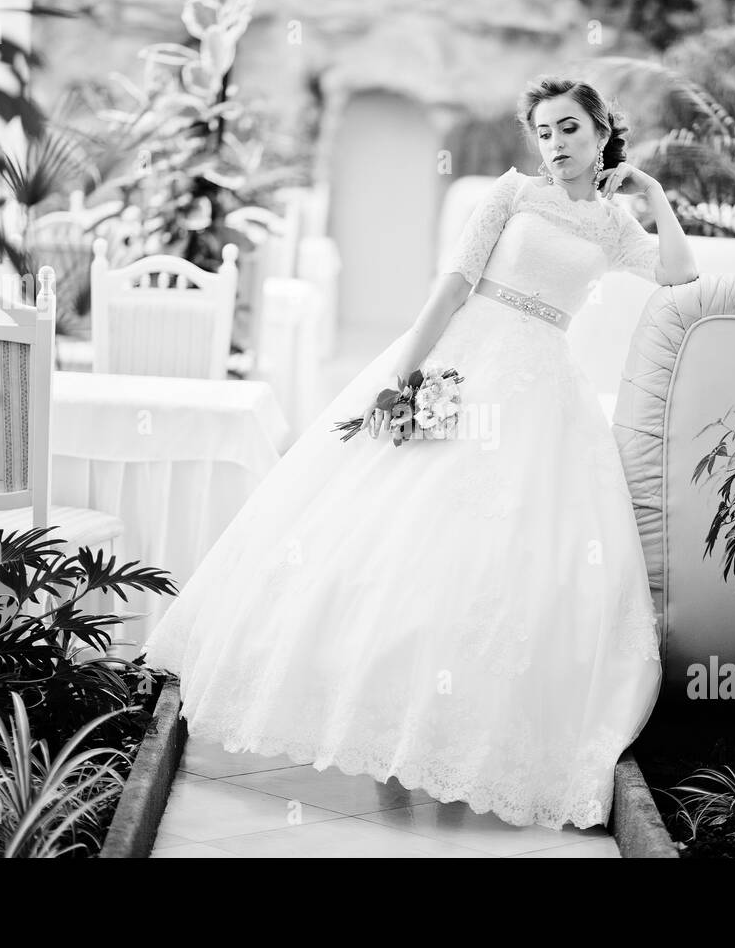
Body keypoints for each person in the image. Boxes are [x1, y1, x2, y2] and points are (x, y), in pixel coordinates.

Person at [140, 76, 700, 830]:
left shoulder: (612, 226)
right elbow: (452, 288)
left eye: (571, 127)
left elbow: (679, 273)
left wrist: (654, 195)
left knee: (502, 562)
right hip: (466, 369)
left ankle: (466, 737)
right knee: (405, 537)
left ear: (602, 130)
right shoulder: (510, 194)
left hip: (545, 398)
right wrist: (401, 378)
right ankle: (377, 721)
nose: (557, 143)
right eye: (544, 130)